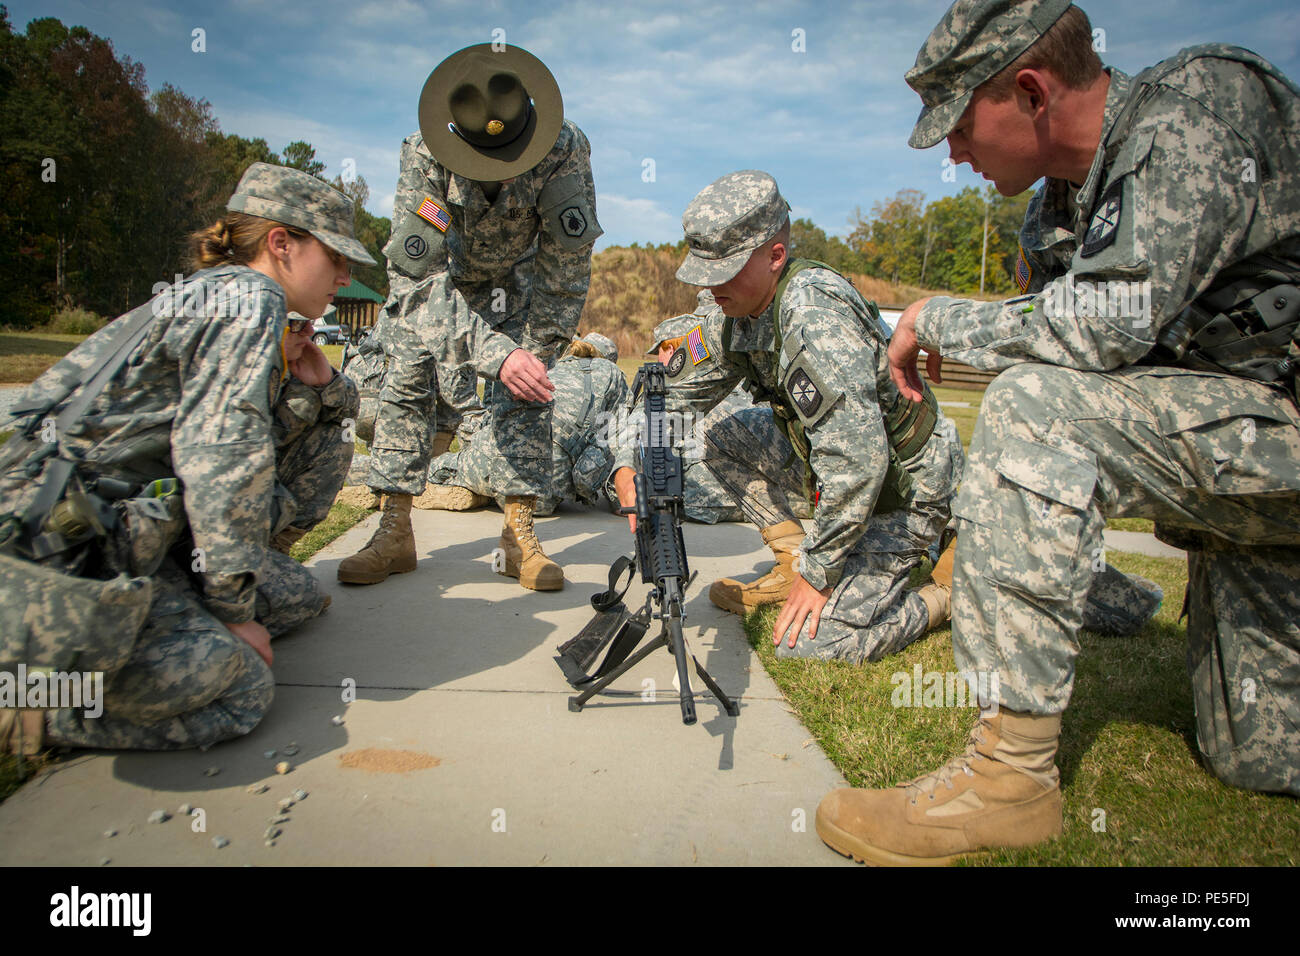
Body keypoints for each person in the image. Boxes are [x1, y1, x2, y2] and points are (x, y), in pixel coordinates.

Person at [816, 0, 1300, 866]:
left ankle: (1009, 778)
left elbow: (1101, 325)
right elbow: (1072, 329)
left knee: (1034, 408)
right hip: (1254, 496)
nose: (954, 156)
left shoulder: (1199, 109)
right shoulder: (1058, 215)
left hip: (1281, 438)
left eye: (961, 127)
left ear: (1032, 91)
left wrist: (935, 319)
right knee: (1258, 757)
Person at [0, 163, 375, 754]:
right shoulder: (253, 299)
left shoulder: (218, 293)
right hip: (57, 555)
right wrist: (231, 610)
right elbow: (221, 457)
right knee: (243, 688)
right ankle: (38, 705)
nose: (345, 275)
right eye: (335, 258)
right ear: (281, 244)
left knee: (296, 597)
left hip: (112, 535)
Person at [613, 170, 967, 664]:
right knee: (720, 435)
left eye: (725, 270)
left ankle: (947, 591)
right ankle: (789, 559)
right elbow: (671, 397)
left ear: (775, 256)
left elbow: (859, 460)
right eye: (704, 271)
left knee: (808, 642)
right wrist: (628, 461)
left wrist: (818, 574)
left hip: (905, 490)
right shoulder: (731, 317)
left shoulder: (813, 314)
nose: (709, 286)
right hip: (840, 471)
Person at [340, 42, 601, 591]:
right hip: (444, 281)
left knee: (529, 384)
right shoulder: (424, 154)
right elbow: (414, 276)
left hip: (523, 280)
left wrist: (530, 354)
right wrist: (490, 352)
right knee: (409, 370)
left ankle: (518, 534)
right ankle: (394, 530)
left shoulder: (564, 148)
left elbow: (566, 266)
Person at [424, 332, 630, 516]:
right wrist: (617, 498)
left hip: (489, 457)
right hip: (540, 494)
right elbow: (615, 440)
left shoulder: (552, 367)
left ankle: (473, 489)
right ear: (610, 359)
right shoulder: (613, 375)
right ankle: (492, 496)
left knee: (437, 469)